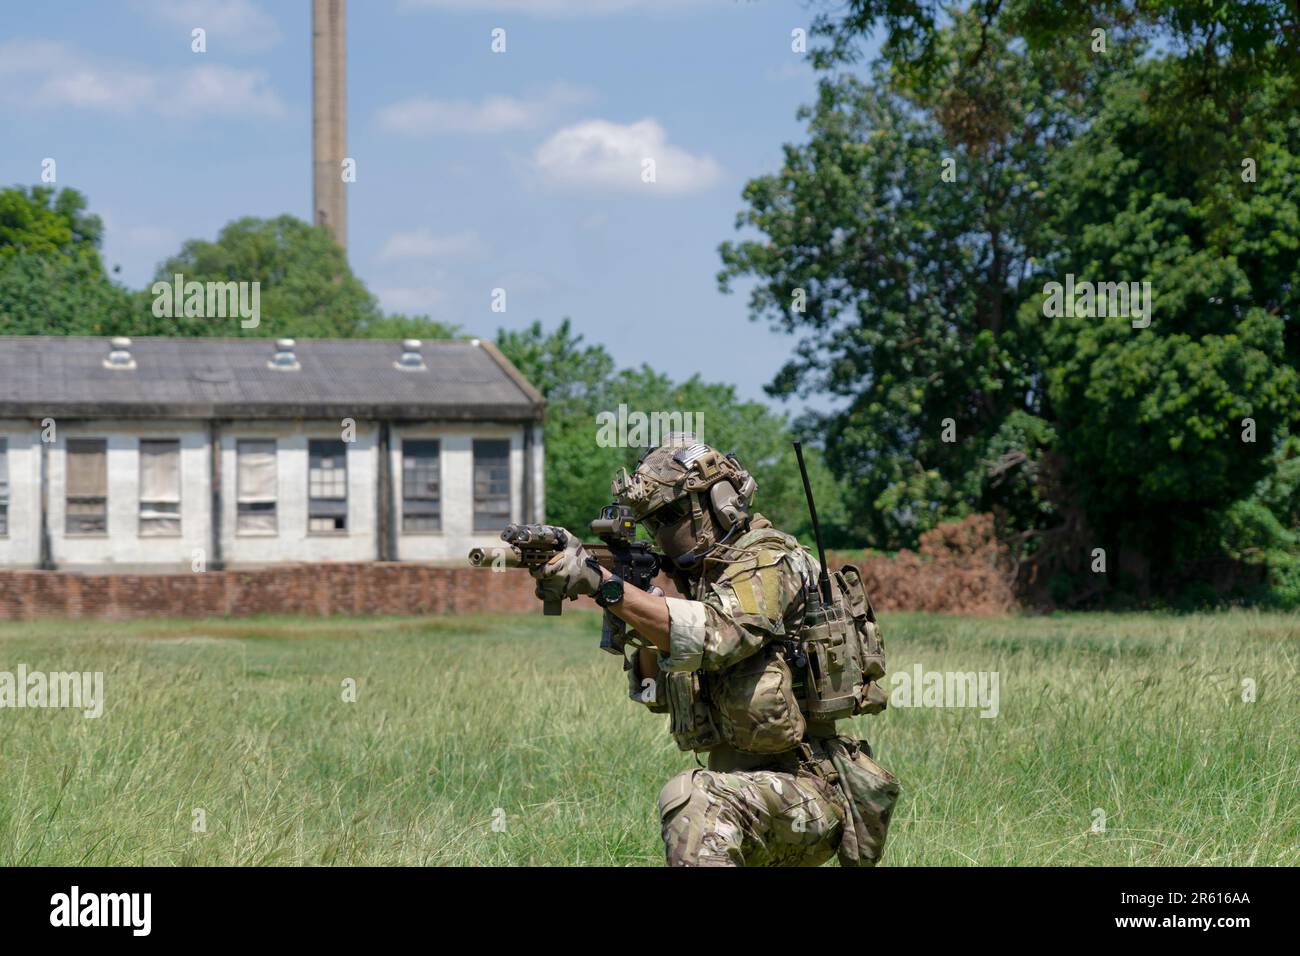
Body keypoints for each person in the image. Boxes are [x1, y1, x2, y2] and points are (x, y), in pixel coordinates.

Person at [531, 434, 899, 867]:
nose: (662, 533)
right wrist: (642, 610)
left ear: (720, 499)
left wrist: (607, 587)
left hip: (809, 790)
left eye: (670, 515)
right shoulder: (700, 584)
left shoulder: (771, 562)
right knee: (706, 797)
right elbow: (652, 695)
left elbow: (718, 634)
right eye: (652, 521)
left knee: (693, 799)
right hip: (745, 791)